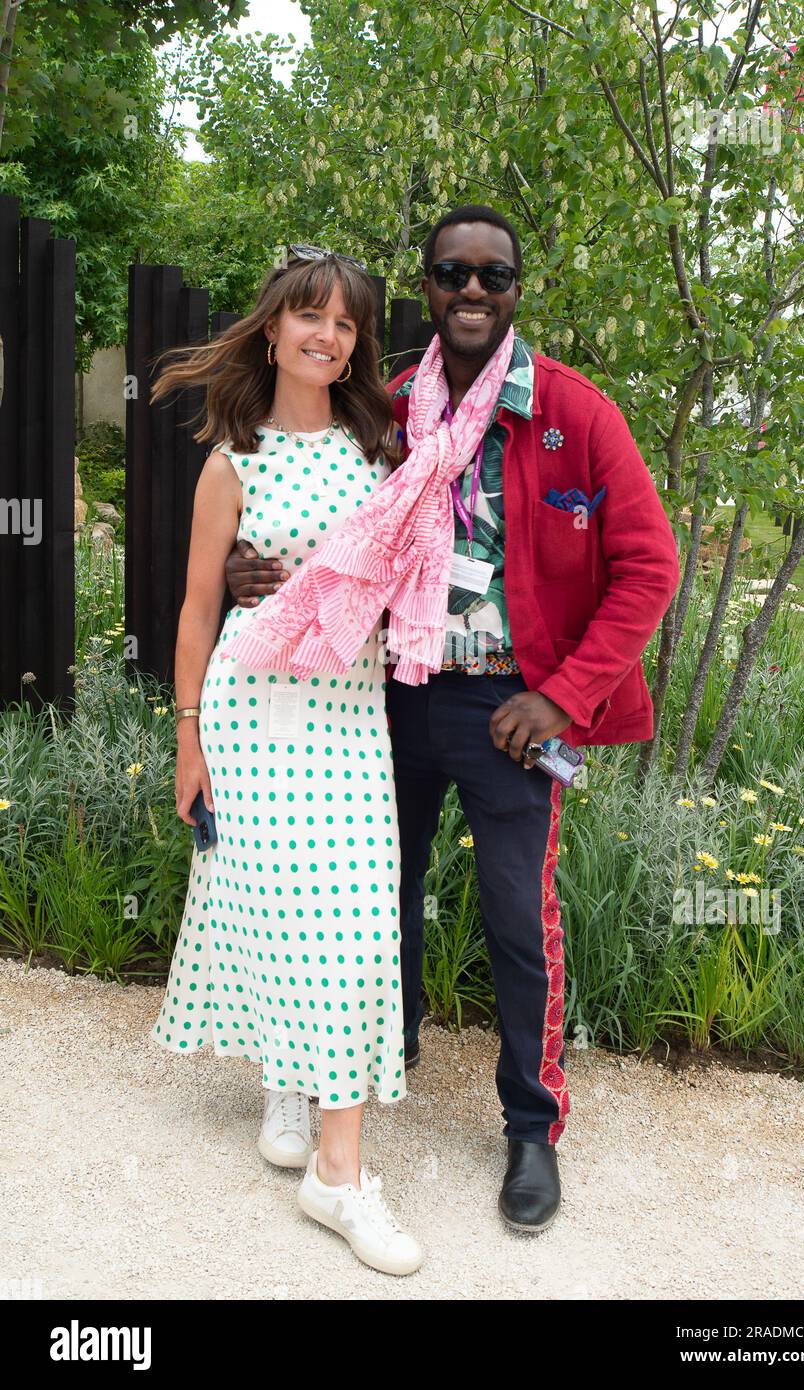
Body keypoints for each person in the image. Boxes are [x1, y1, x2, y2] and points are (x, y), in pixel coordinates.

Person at [225, 206, 681, 1234]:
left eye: (494, 275)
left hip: (515, 708)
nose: (472, 291)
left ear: (518, 288)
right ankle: (391, 1045)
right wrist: (246, 569)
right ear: (426, 286)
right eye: (450, 273)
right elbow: (326, 528)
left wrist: (562, 694)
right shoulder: (385, 413)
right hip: (392, 691)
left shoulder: (573, 413)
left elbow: (650, 568)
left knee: (522, 921)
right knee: (374, 895)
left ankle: (531, 1126)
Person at [147, 246, 425, 1277]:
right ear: (273, 330)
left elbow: (416, 572)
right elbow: (196, 605)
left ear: (356, 345)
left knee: (350, 920)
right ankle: (309, 1120)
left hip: (349, 718)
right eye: (309, 317)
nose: (327, 335)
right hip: (250, 715)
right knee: (265, 900)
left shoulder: (380, 451)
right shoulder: (233, 461)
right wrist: (187, 736)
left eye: (346, 324)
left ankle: (331, 1161)